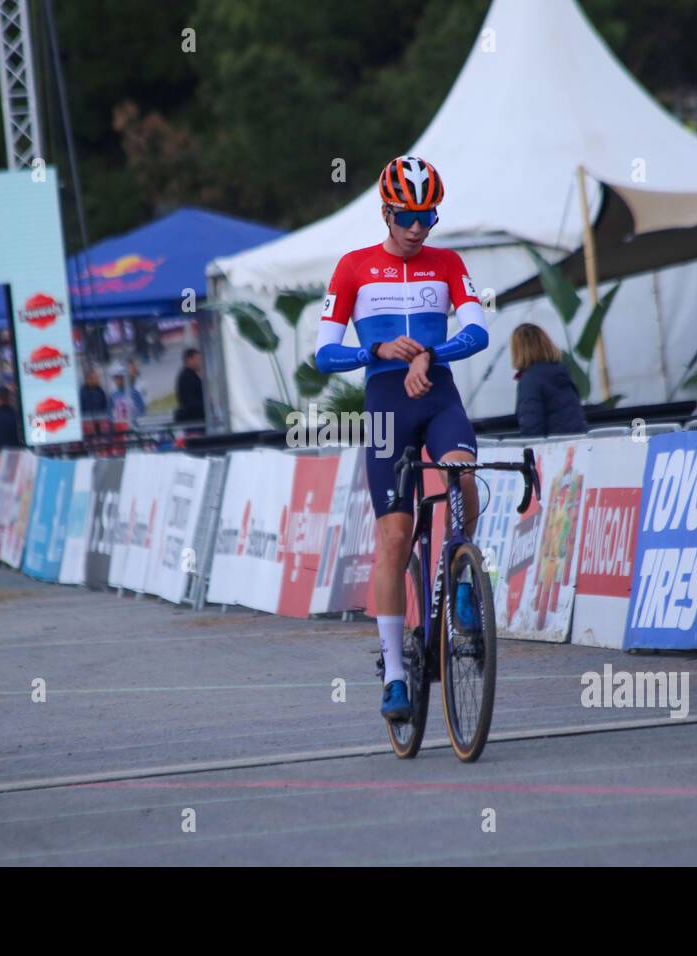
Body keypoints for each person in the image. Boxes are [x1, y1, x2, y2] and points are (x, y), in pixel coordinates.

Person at [313, 155, 488, 723]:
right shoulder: (353, 267)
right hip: (387, 405)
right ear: (387, 212)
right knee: (394, 539)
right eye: (408, 216)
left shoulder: (448, 262)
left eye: (429, 217)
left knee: (464, 473)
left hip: (438, 395)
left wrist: (431, 355)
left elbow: (479, 331)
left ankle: (461, 580)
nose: (418, 228)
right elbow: (324, 353)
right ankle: (393, 673)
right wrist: (377, 352)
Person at [511, 323, 587, 436]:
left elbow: (531, 430)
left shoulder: (530, 381)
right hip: (576, 447)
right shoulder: (562, 374)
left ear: (518, 351)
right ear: (546, 344)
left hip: (552, 450)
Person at [174, 349, 204, 424]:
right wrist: (206, 405)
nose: (200, 362)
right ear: (189, 360)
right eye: (197, 359)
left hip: (196, 417)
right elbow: (190, 402)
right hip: (194, 420)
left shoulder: (191, 375)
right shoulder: (186, 378)